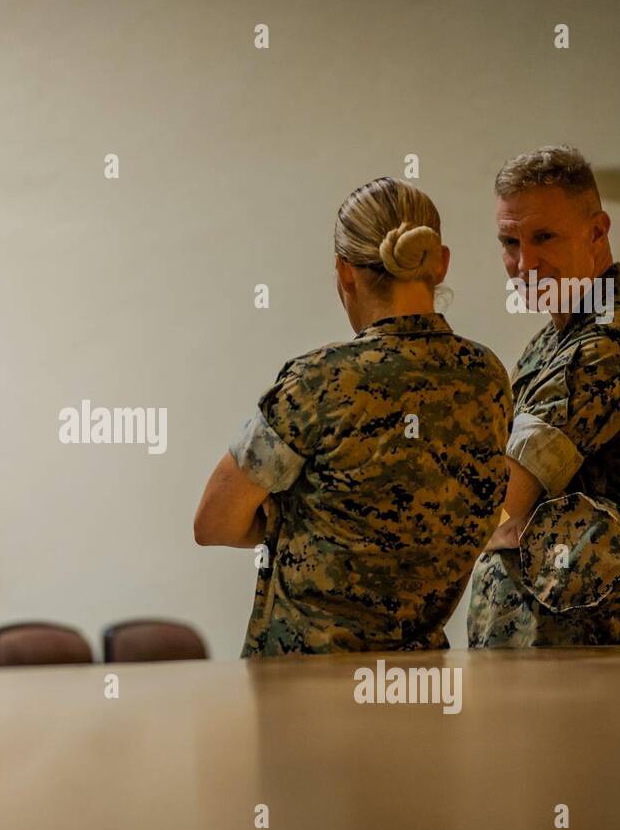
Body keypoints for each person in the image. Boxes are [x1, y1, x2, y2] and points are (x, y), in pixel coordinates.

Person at [195, 177, 512, 654]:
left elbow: (214, 521)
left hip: (306, 689)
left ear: (344, 273)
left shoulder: (320, 381)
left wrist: (290, 515)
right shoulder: (487, 379)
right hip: (419, 683)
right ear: (440, 263)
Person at [468, 145, 620, 646]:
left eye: (544, 237)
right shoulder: (556, 337)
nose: (524, 263)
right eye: (509, 241)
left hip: (586, 661)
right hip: (544, 655)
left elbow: (500, 504)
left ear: (597, 231)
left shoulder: (608, 342)